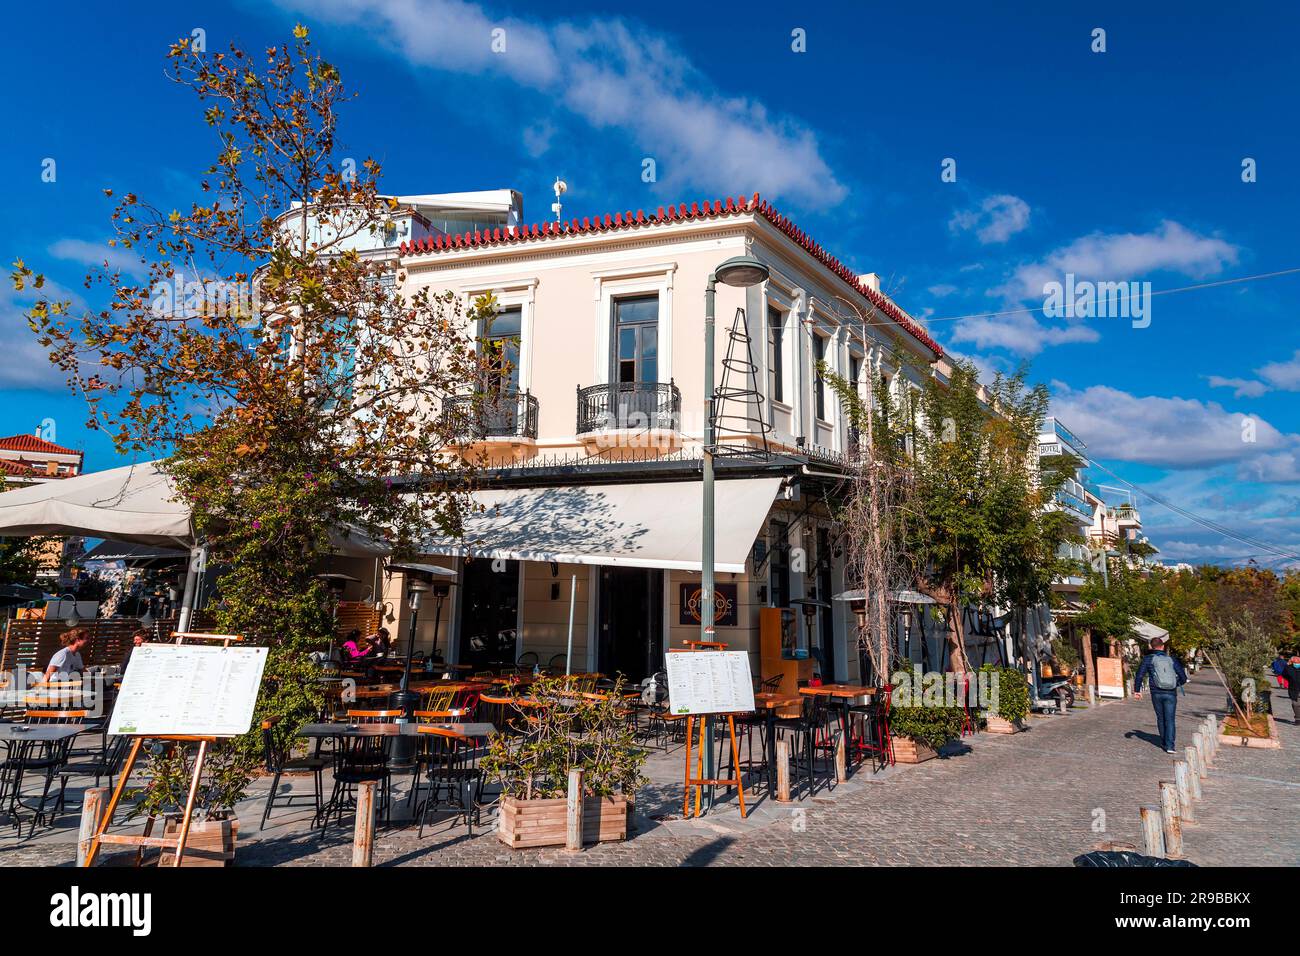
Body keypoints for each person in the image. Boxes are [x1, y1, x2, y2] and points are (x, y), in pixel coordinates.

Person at [1132, 637, 1188, 753]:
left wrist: (1137, 690)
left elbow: (1139, 675)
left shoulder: (1148, 659)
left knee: (1161, 718)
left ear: (1151, 647)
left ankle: (1164, 742)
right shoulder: (1171, 659)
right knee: (1170, 719)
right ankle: (1170, 746)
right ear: (1163, 647)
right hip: (1171, 693)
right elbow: (1183, 677)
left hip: (1156, 692)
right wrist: (1175, 684)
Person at [1285, 655, 1300, 723]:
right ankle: (1298, 718)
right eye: (1295, 661)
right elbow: (1284, 675)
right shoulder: (1289, 668)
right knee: (1295, 704)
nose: (1297, 663)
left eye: (1298, 661)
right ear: (1292, 662)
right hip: (1293, 689)